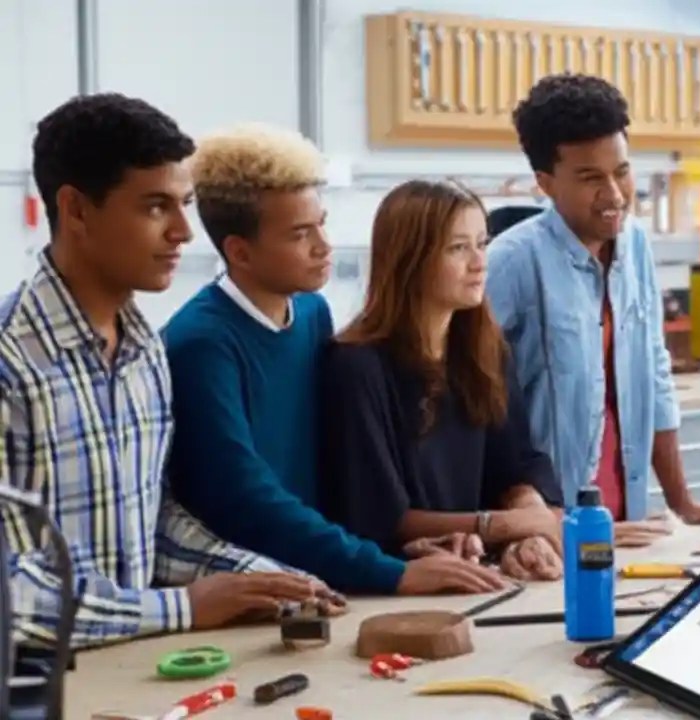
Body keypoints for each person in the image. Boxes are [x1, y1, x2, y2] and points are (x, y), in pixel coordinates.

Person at [0, 94, 344, 651]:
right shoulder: (11, 364)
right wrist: (180, 606)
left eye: (185, 203)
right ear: (77, 210)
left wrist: (260, 577)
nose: (184, 231)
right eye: (156, 206)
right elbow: (9, 591)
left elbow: (150, 522)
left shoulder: (145, 353)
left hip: (135, 669)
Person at [162, 124, 504, 597]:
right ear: (239, 251)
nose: (324, 245)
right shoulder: (199, 344)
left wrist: (404, 549)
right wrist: (389, 572)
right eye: (301, 234)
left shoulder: (310, 311)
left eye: (322, 223)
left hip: (321, 575)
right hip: (246, 586)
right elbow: (246, 501)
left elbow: (333, 471)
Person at [486, 73, 700, 539]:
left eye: (621, 171)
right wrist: (525, 524)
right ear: (545, 183)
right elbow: (476, 414)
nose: (615, 195)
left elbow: (655, 376)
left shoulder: (635, 243)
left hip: (626, 519)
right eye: (590, 178)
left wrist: (683, 503)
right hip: (546, 532)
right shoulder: (511, 262)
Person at [318, 180, 565, 583]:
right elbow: (379, 518)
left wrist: (531, 521)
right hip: (399, 585)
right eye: (457, 248)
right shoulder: (355, 365)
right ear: (409, 259)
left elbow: (517, 462)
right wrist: (505, 526)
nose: (479, 262)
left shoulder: (485, 349)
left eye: (482, 243)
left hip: (477, 573)